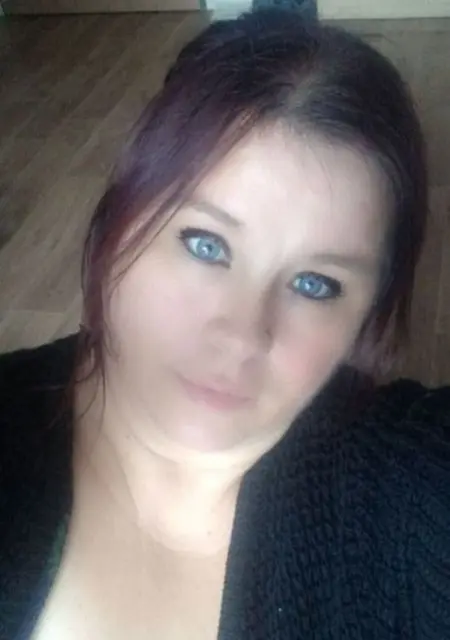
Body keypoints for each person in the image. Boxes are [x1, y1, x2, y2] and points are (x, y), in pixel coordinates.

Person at [1, 8, 449, 640]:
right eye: (205, 245)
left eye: (315, 284)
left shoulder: (410, 489)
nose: (242, 333)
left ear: (365, 318)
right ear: (117, 221)